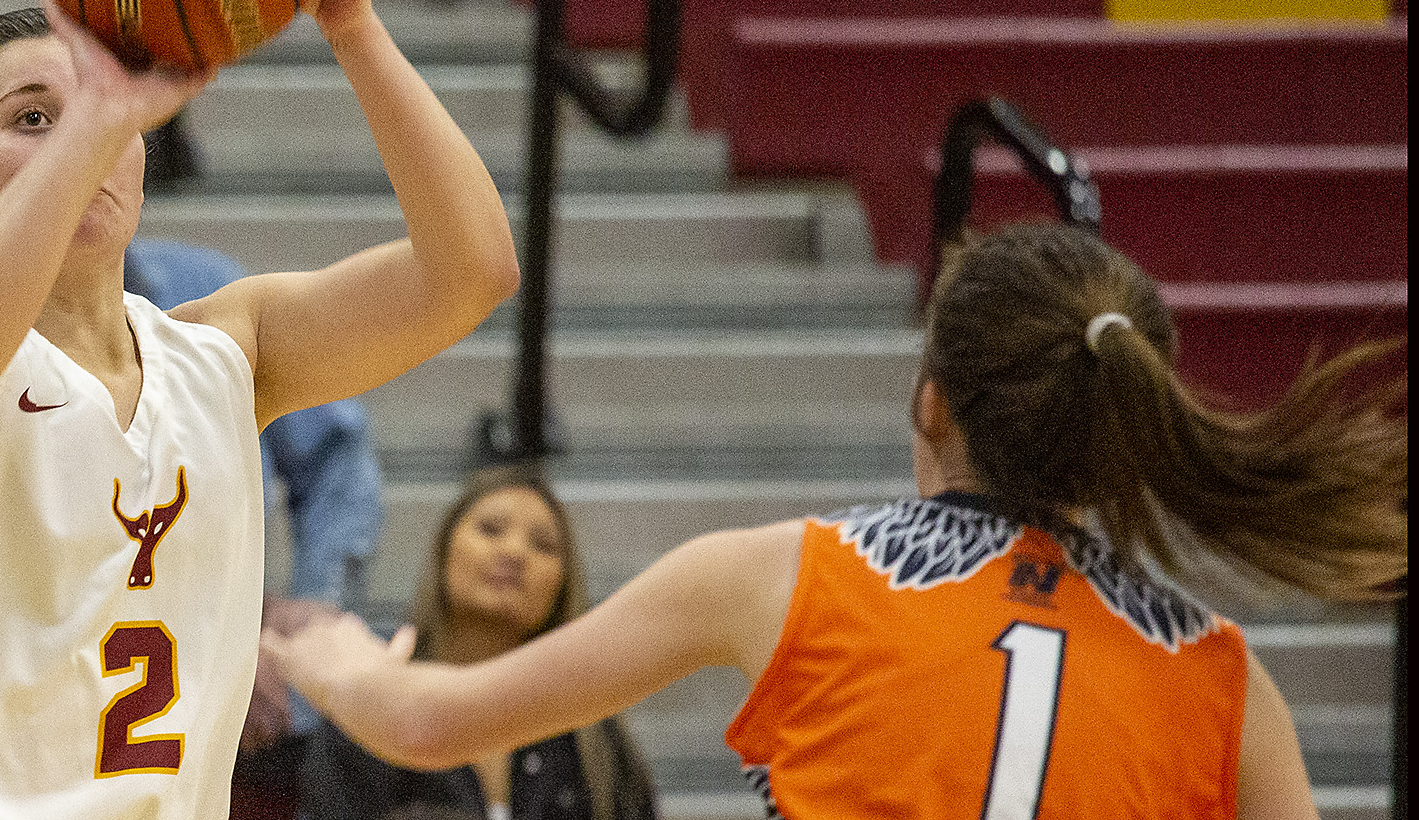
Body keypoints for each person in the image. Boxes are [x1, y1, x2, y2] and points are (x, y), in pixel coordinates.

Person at [268, 223, 1408, 820]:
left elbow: (428, 723)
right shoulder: (1224, 682)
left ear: (931, 402)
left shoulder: (790, 575)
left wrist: (325, 651)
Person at [0, 0, 518, 820]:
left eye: (105, 113)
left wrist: (353, 30)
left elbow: (471, 271)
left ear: (148, 155)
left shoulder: (226, 348)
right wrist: (104, 106)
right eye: (36, 118)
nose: (82, 131)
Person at [124, 237, 384, 817]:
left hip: (223, 626)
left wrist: (305, 624)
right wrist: (217, 651)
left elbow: (338, 459)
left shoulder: (217, 298)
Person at [303, 465, 655, 820]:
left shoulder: (596, 740)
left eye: (544, 545)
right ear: (443, 552)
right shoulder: (367, 708)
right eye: (490, 530)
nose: (515, 552)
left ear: (563, 587)